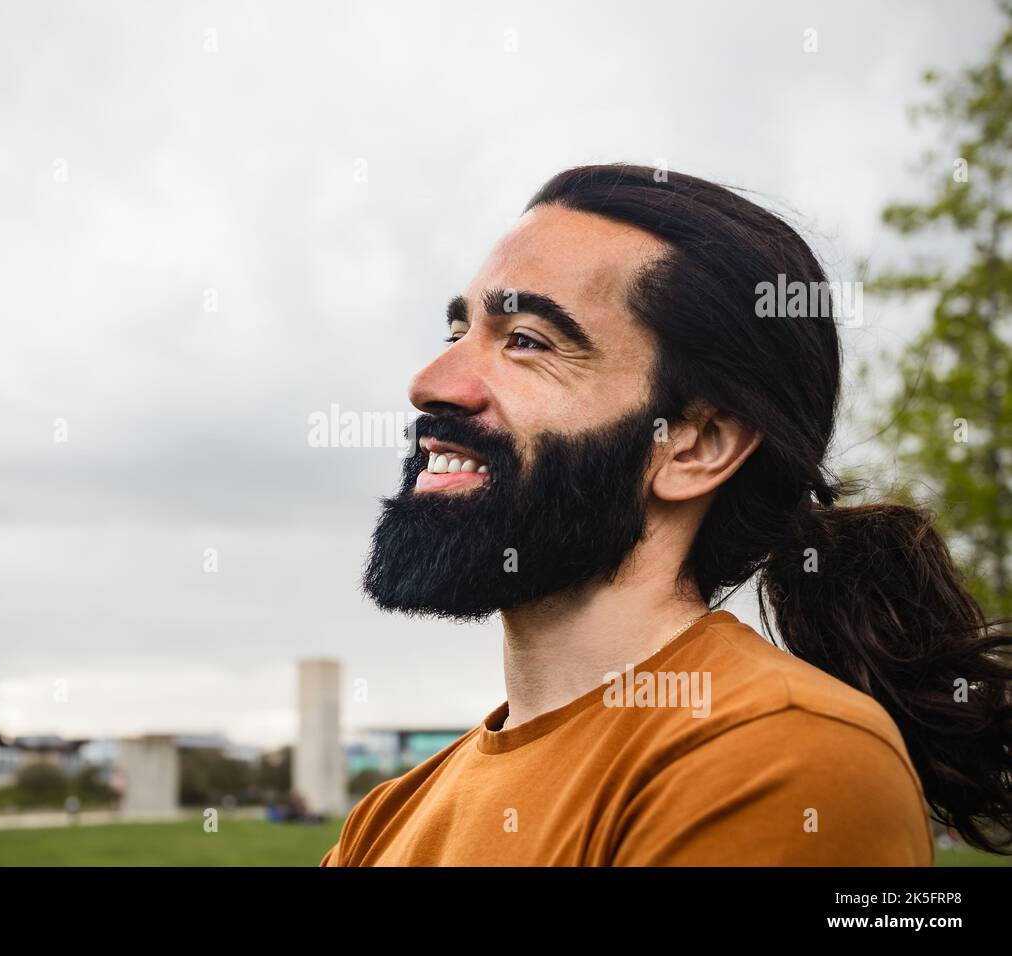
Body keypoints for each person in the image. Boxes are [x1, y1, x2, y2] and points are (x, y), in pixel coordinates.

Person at [321, 164, 1012, 866]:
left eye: (525, 339)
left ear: (695, 446)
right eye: (458, 332)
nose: (428, 385)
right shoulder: (385, 820)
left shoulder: (781, 757)